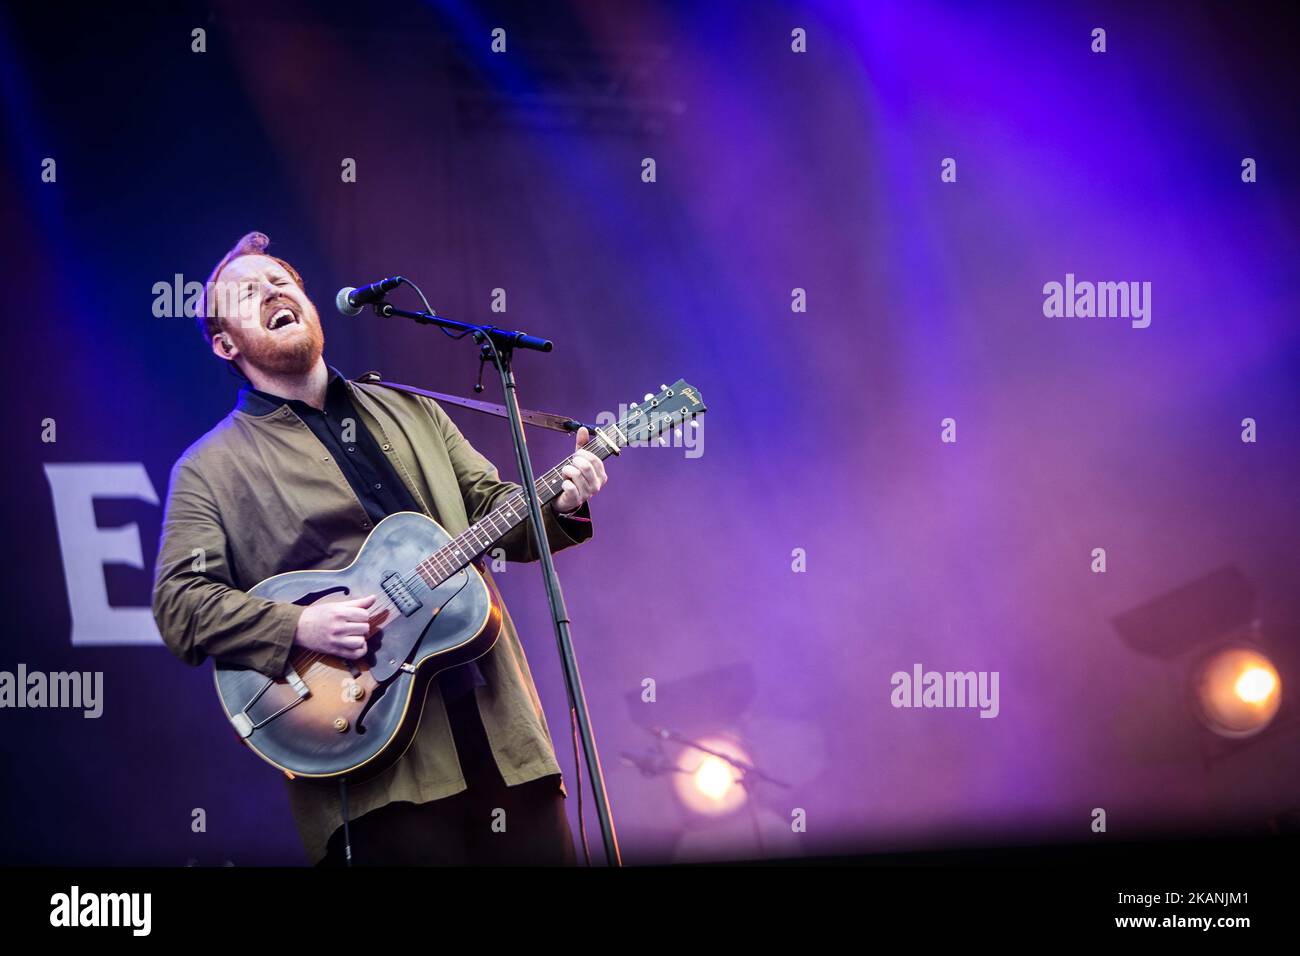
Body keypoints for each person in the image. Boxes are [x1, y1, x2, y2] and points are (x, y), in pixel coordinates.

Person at [151, 231, 607, 865]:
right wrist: (299, 623)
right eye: (247, 292)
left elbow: (496, 512)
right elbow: (179, 605)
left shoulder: (414, 410)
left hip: (504, 739)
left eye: (283, 282)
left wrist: (560, 499)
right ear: (225, 343)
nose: (274, 292)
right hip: (372, 777)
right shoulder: (210, 467)